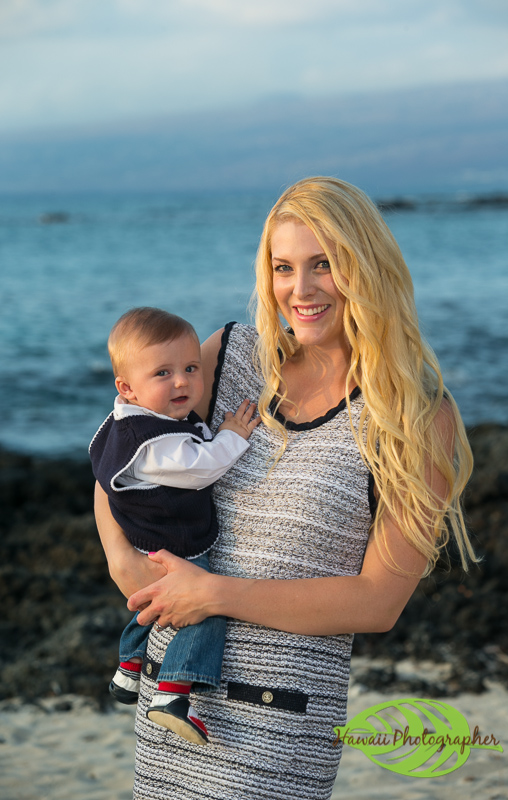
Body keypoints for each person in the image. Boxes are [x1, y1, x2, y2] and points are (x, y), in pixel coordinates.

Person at [95, 177, 475, 800]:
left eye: (324, 264)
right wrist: (120, 560)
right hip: (170, 708)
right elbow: (119, 450)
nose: (301, 290)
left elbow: (377, 603)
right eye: (283, 267)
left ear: (366, 265)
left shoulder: (412, 415)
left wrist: (214, 595)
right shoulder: (230, 357)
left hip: (279, 726)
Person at [90, 307, 260, 745]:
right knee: (204, 608)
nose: (182, 382)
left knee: (153, 601)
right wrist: (232, 437)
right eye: (163, 373)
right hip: (174, 543)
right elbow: (201, 468)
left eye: (191, 368)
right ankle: (172, 693)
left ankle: (129, 668)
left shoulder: (130, 418)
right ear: (127, 388)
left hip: (146, 538)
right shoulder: (154, 444)